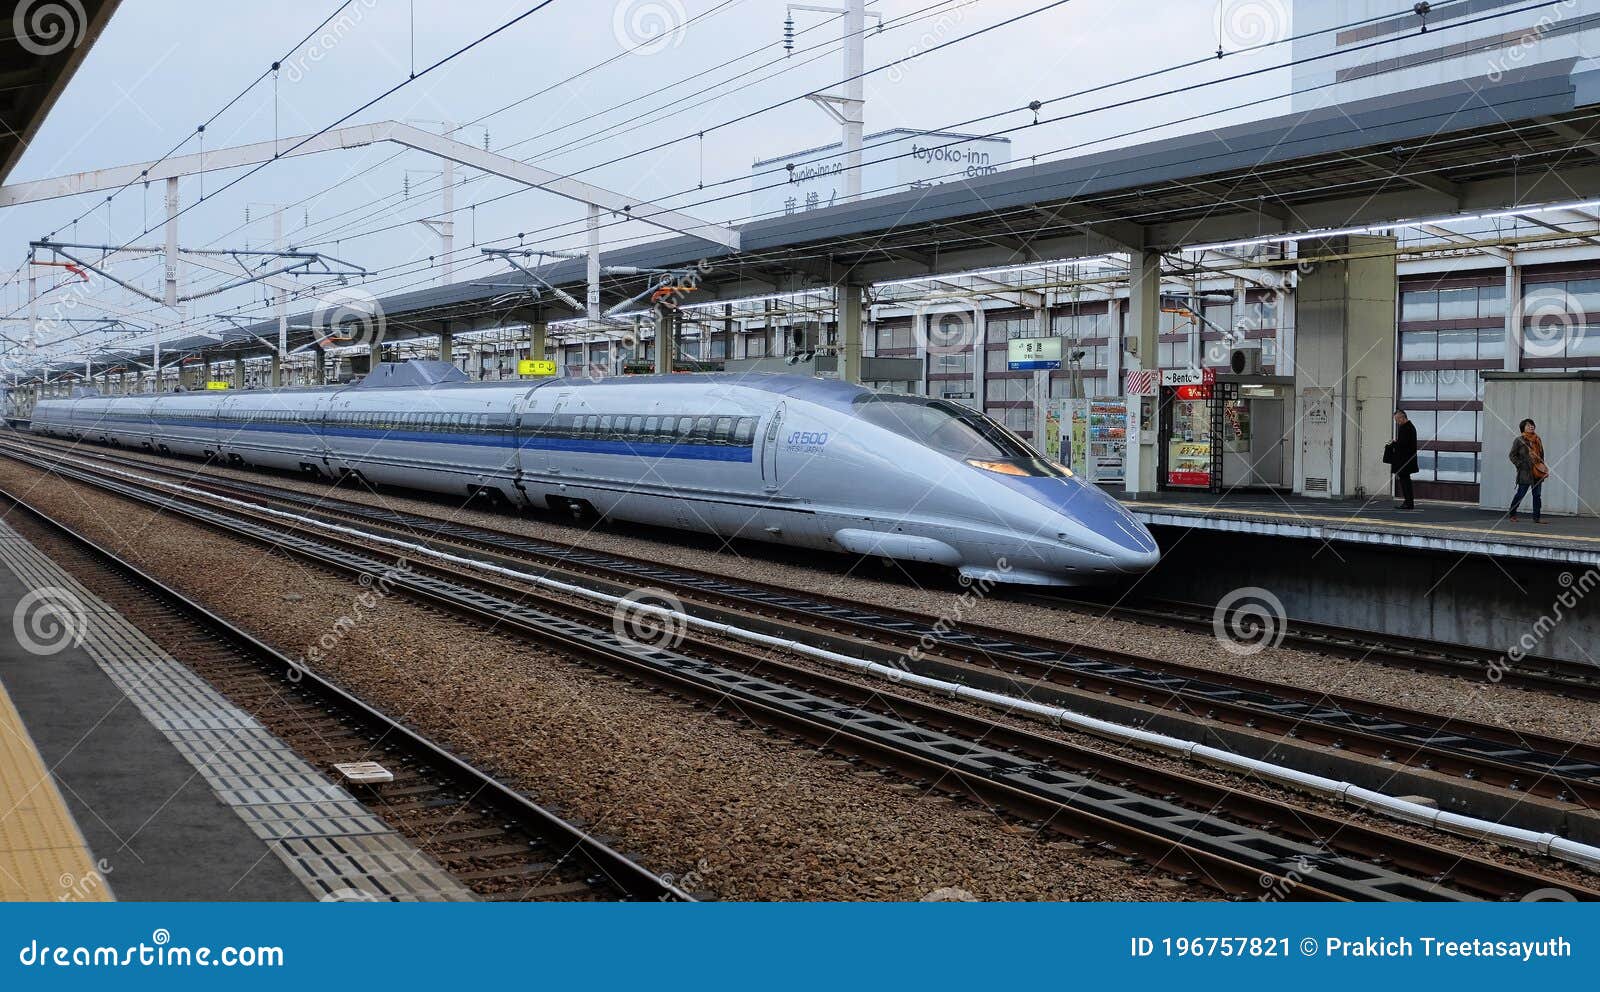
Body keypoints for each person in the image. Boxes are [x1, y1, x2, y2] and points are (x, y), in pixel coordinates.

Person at [1508, 418, 1550, 524]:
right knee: (1520, 494)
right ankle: (1512, 514)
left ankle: (1537, 518)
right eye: (1528, 425)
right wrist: (1520, 465)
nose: (1531, 427)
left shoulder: (1537, 439)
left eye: (1532, 425)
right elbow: (1512, 455)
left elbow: (1541, 455)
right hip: (1525, 473)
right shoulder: (1519, 440)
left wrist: (1543, 468)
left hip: (1537, 472)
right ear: (1523, 428)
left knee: (1537, 495)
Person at [1389, 409, 1418, 510]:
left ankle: (1408, 503)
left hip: (1405, 460)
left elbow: (1403, 445)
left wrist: (1394, 443)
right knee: (1406, 481)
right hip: (1408, 459)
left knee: (1405, 482)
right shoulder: (1410, 427)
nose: (1397, 422)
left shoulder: (1405, 428)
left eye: (1397, 419)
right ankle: (1408, 502)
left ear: (1402, 417)